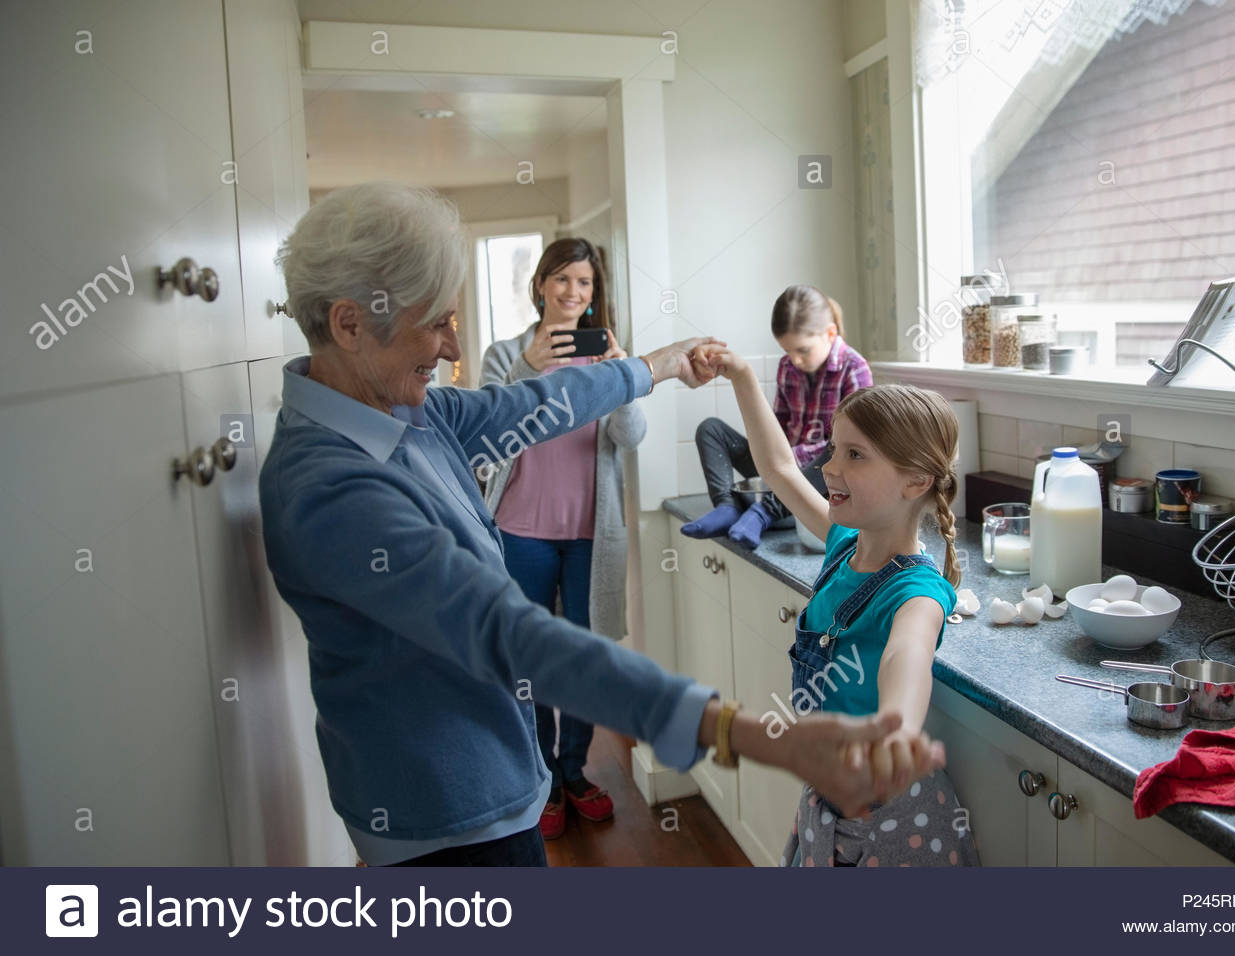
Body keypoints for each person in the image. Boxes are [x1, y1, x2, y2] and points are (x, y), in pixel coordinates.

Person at [258, 181, 946, 867]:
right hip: (443, 819)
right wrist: (753, 735)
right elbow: (509, 635)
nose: (448, 346)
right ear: (349, 324)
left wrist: (654, 367)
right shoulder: (331, 486)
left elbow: (538, 400)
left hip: (498, 782)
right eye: (433, 322)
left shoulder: (409, 415)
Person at [694, 342, 979, 867]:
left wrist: (896, 728)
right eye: (833, 448)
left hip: (889, 819)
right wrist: (738, 374)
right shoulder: (843, 542)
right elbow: (779, 467)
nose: (829, 466)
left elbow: (906, 657)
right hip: (826, 801)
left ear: (915, 481)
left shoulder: (916, 593)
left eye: (855, 455)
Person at [478, 238, 639, 839]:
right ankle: (539, 775)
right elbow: (488, 425)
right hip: (520, 530)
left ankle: (573, 770)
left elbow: (633, 435)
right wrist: (529, 368)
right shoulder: (504, 354)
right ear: (541, 283)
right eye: (563, 280)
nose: (574, 293)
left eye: (586, 283)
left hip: (589, 535)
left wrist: (623, 376)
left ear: (595, 294)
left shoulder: (606, 359)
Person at [681, 285, 871, 549]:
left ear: (829, 334)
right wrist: (775, 457)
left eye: (802, 350)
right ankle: (727, 507)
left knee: (837, 449)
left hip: (820, 479)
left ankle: (763, 512)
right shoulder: (787, 366)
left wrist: (790, 460)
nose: (795, 359)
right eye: (788, 351)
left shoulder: (854, 368)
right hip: (781, 469)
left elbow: (855, 448)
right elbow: (776, 426)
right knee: (710, 429)